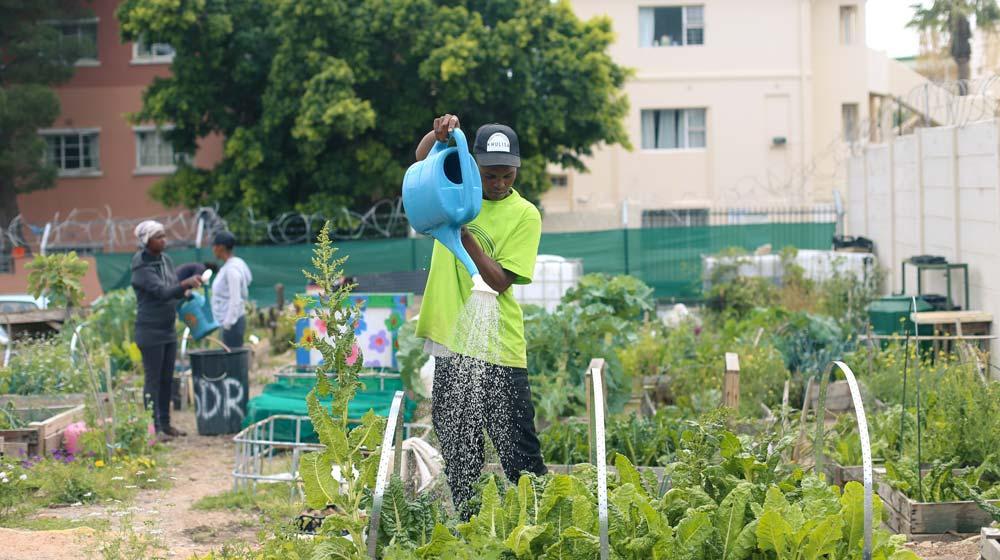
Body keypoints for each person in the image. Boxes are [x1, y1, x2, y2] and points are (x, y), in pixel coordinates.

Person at [414, 114, 546, 518]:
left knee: (519, 453)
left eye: (507, 175)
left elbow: (500, 281)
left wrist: (461, 232)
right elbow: (422, 165)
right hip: (450, 343)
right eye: (490, 175)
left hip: (498, 348)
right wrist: (437, 135)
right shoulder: (454, 187)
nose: (499, 183)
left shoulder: (525, 215)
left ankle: (543, 525)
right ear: (473, 165)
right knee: (459, 450)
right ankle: (473, 532)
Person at [131, 220, 201, 442]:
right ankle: (154, 428)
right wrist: (185, 284)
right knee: (153, 380)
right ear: (146, 241)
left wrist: (185, 293)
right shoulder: (141, 268)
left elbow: (172, 289)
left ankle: (166, 423)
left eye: (164, 235)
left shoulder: (166, 261)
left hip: (167, 328)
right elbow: (162, 292)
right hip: (150, 331)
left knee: (166, 379)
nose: (164, 240)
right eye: (158, 237)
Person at [210, 231, 252, 348]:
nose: (213, 249)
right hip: (230, 322)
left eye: (214, 246)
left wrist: (228, 324)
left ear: (221, 247)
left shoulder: (232, 269)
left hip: (232, 323)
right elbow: (248, 280)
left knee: (232, 362)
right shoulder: (235, 264)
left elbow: (235, 298)